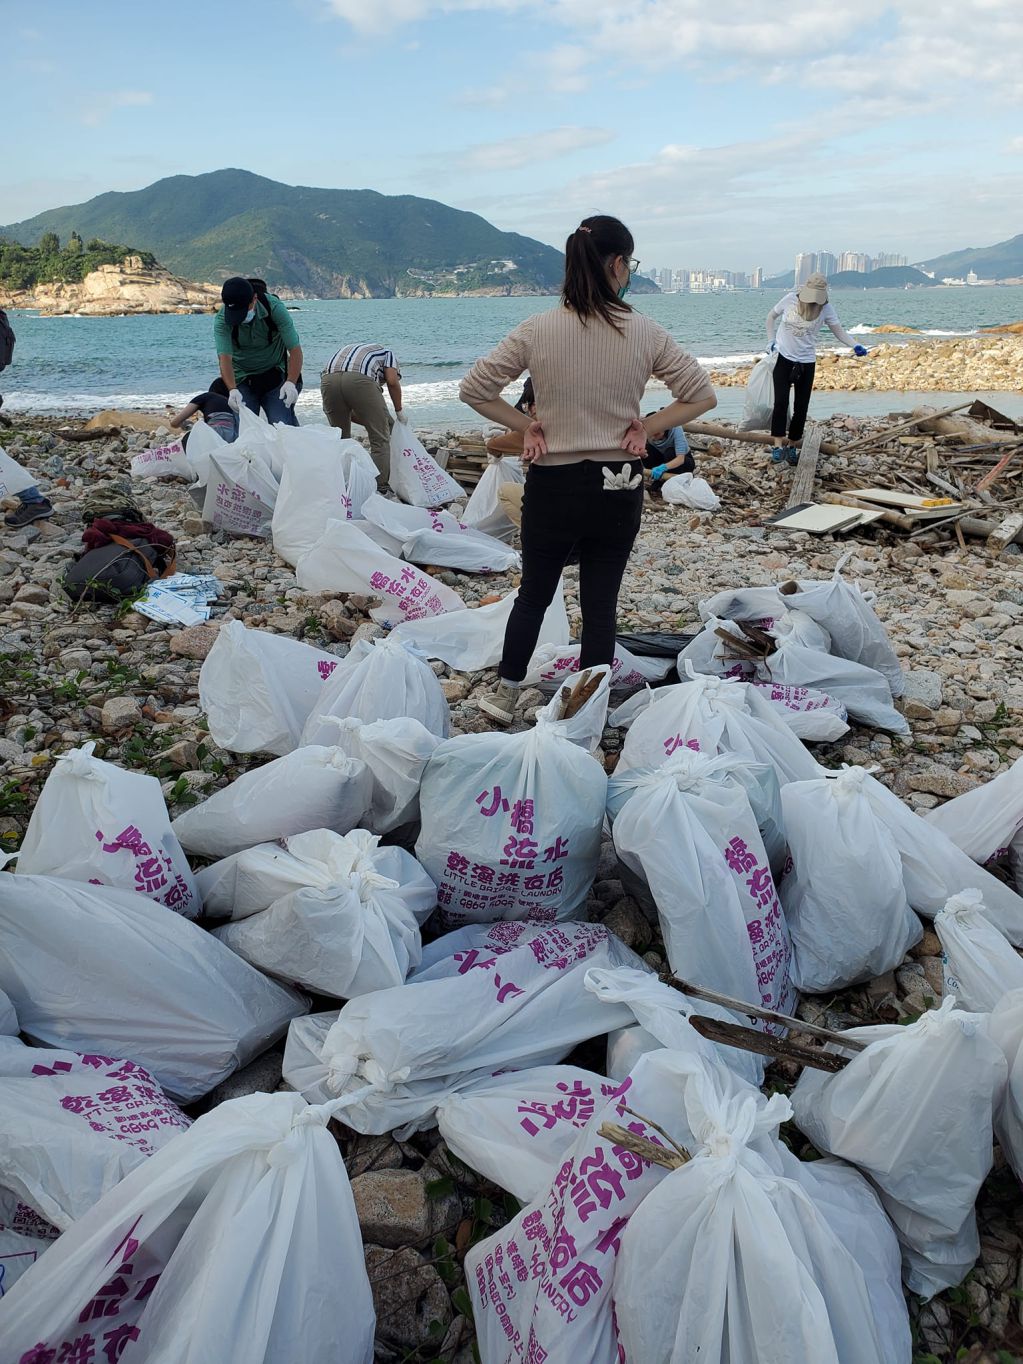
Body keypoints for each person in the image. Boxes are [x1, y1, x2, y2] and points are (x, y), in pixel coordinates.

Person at [459, 213, 716, 726]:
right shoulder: (643, 330)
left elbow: (474, 389)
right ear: (618, 264)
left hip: (554, 483)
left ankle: (508, 695)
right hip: (617, 484)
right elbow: (701, 395)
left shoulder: (538, 329)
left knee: (534, 592)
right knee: (601, 603)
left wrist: (526, 426)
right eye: (629, 264)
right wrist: (647, 424)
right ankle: (590, 710)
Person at [766, 272, 867, 465]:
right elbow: (770, 317)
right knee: (780, 403)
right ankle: (777, 446)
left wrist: (855, 345)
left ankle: (792, 446)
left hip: (806, 362)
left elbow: (839, 332)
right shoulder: (789, 300)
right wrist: (771, 340)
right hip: (784, 358)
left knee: (801, 408)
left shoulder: (826, 308)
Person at [214, 277, 303, 425]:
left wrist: (291, 383)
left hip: (275, 377)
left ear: (254, 299)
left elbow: (295, 350)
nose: (240, 318)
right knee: (247, 429)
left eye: (243, 310)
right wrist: (232, 390)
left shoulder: (274, 308)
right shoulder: (223, 320)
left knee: (282, 426)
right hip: (243, 379)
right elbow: (225, 359)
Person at [320, 343, 403, 487]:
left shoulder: (355, 350)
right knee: (380, 439)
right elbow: (392, 381)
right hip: (360, 380)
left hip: (328, 380)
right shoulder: (389, 354)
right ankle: (380, 486)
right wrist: (399, 410)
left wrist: (374, 421)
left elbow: (349, 414)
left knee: (340, 438)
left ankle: (341, 483)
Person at [643, 409, 695, 490]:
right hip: (663, 459)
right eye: (651, 434)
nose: (653, 437)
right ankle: (658, 478)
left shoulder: (675, 428)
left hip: (683, 461)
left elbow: (680, 459)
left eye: (656, 434)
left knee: (669, 452)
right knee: (647, 449)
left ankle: (671, 479)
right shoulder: (648, 431)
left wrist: (662, 468)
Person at [168, 388, 238, 443]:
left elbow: (174, 423)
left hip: (214, 434)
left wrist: (186, 424)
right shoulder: (234, 404)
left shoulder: (207, 396)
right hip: (234, 437)